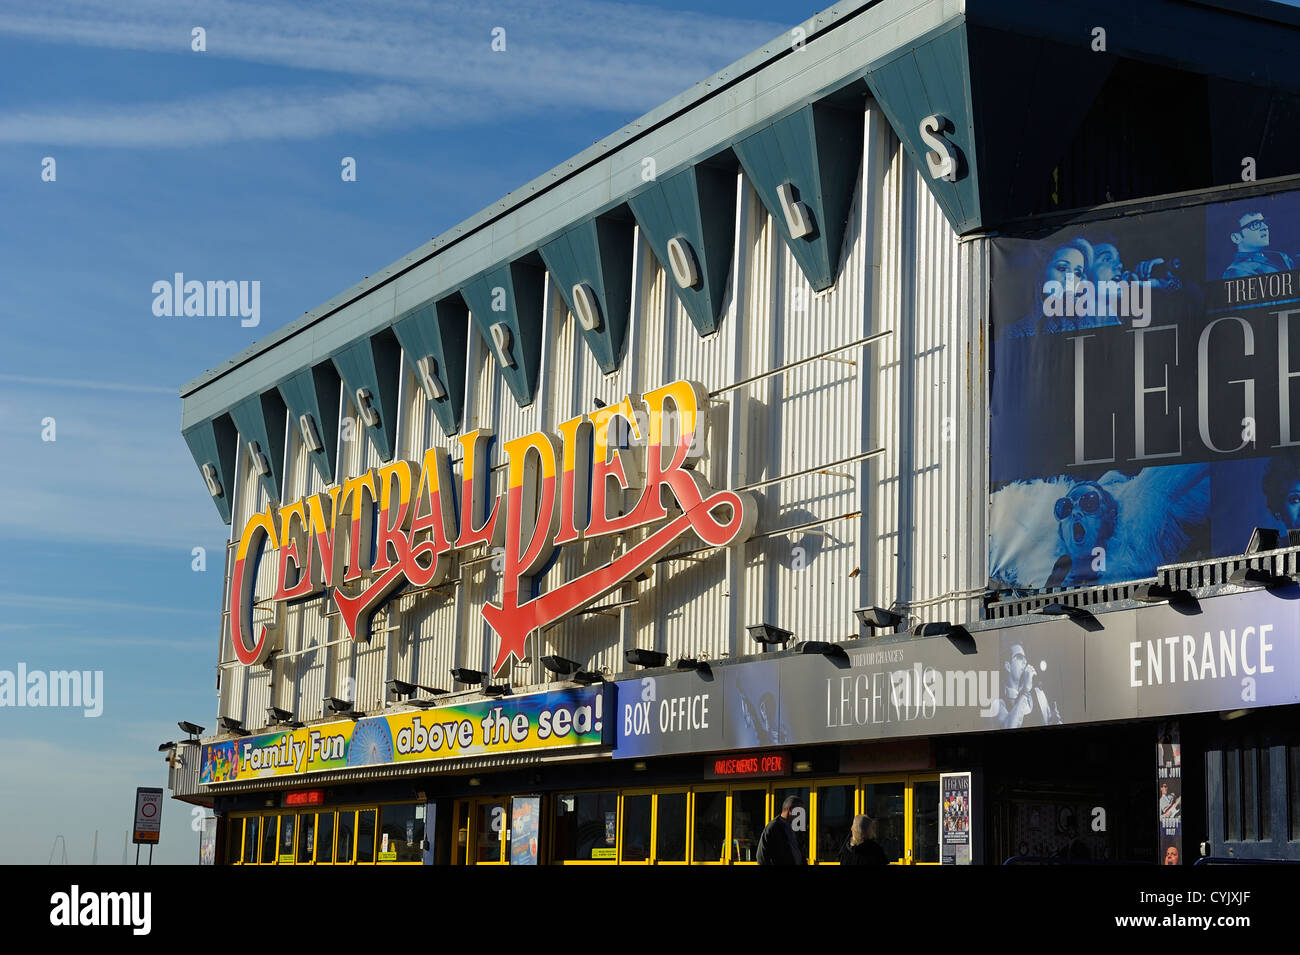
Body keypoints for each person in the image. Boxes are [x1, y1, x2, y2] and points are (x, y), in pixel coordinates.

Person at [1222, 212, 1294, 278]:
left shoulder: (1281, 256)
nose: (1265, 227)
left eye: (1264, 222)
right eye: (1255, 224)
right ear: (1236, 238)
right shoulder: (1236, 271)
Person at [756, 795, 806, 865]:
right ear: (790, 810)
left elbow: (800, 852)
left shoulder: (796, 828)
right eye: (799, 812)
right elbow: (761, 856)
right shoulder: (773, 827)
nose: (800, 815)